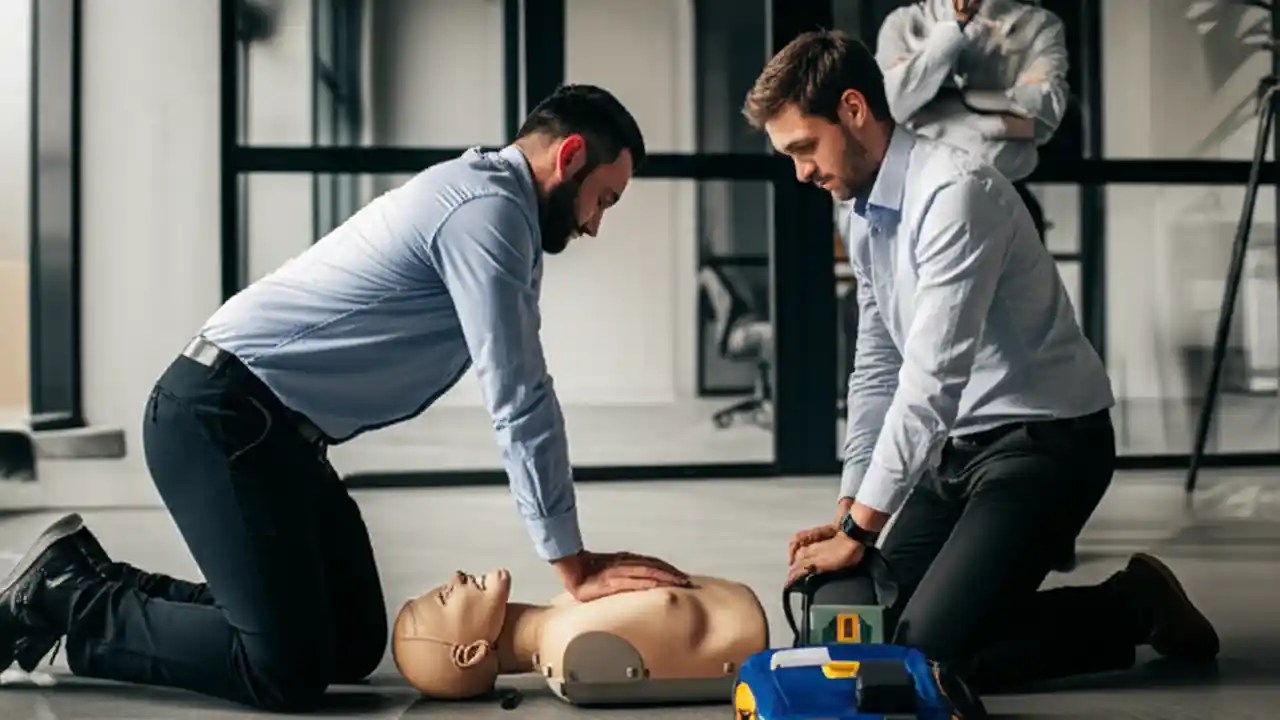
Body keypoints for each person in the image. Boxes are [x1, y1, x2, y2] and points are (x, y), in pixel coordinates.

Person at [0, 84, 691, 712]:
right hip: (218, 416)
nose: (596, 224)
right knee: (285, 668)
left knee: (351, 640)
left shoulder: (491, 203)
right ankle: (67, 599)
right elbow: (518, 394)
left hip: (278, 437)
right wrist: (572, 561)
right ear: (570, 157)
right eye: (605, 199)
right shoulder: (488, 212)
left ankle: (91, 579)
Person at [741, 30, 1220, 692]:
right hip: (951, 455)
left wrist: (860, 531)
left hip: (1043, 445)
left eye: (803, 148)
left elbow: (930, 381)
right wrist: (853, 503)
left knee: (929, 660)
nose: (801, 172)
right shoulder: (859, 209)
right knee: (880, 633)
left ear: (853, 109)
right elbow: (878, 363)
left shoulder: (955, 194)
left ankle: (1134, 604)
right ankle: (997, 616)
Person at [391, 568, 768, 703]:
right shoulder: (568, 642)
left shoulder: (560, 613)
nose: (456, 576)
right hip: (749, 640)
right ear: (470, 654)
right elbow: (669, 605)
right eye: (445, 596)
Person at [876, 0, 1071, 241]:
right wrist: (951, 34)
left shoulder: (1039, 25)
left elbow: (1044, 119)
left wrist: (948, 104)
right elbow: (892, 109)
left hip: (1003, 197)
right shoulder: (904, 24)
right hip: (916, 200)